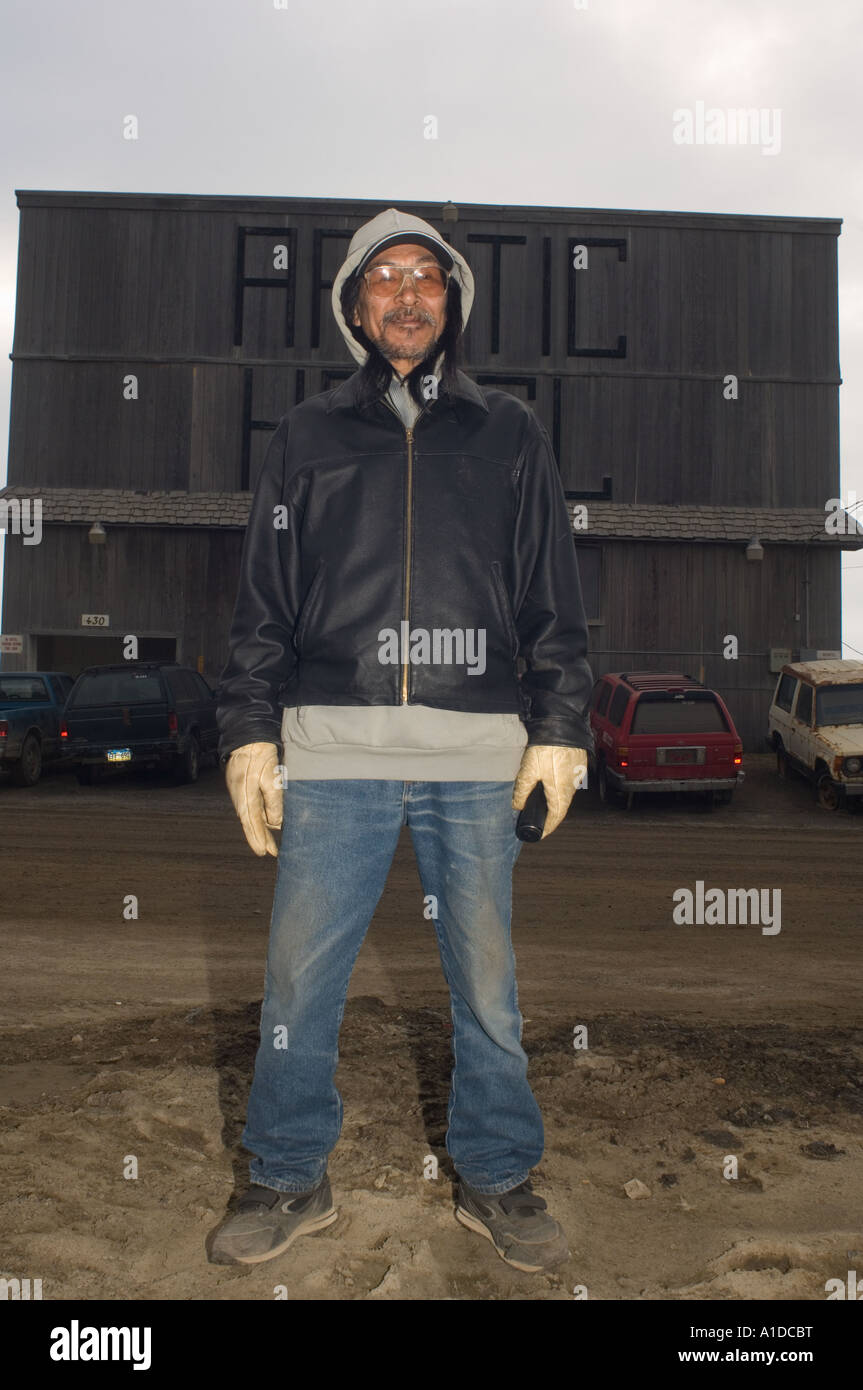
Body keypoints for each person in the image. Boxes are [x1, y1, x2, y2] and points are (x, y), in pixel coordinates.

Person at [210, 207, 594, 1273]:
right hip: (330, 752)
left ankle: (496, 1174)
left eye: (426, 275)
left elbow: (551, 598)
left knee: (486, 985)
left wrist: (559, 726)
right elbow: (262, 604)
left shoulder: (507, 432)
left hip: (476, 755)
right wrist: (248, 733)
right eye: (384, 278)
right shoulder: (307, 438)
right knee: (295, 982)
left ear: (453, 301)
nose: (408, 293)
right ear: (352, 305)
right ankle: (287, 1175)